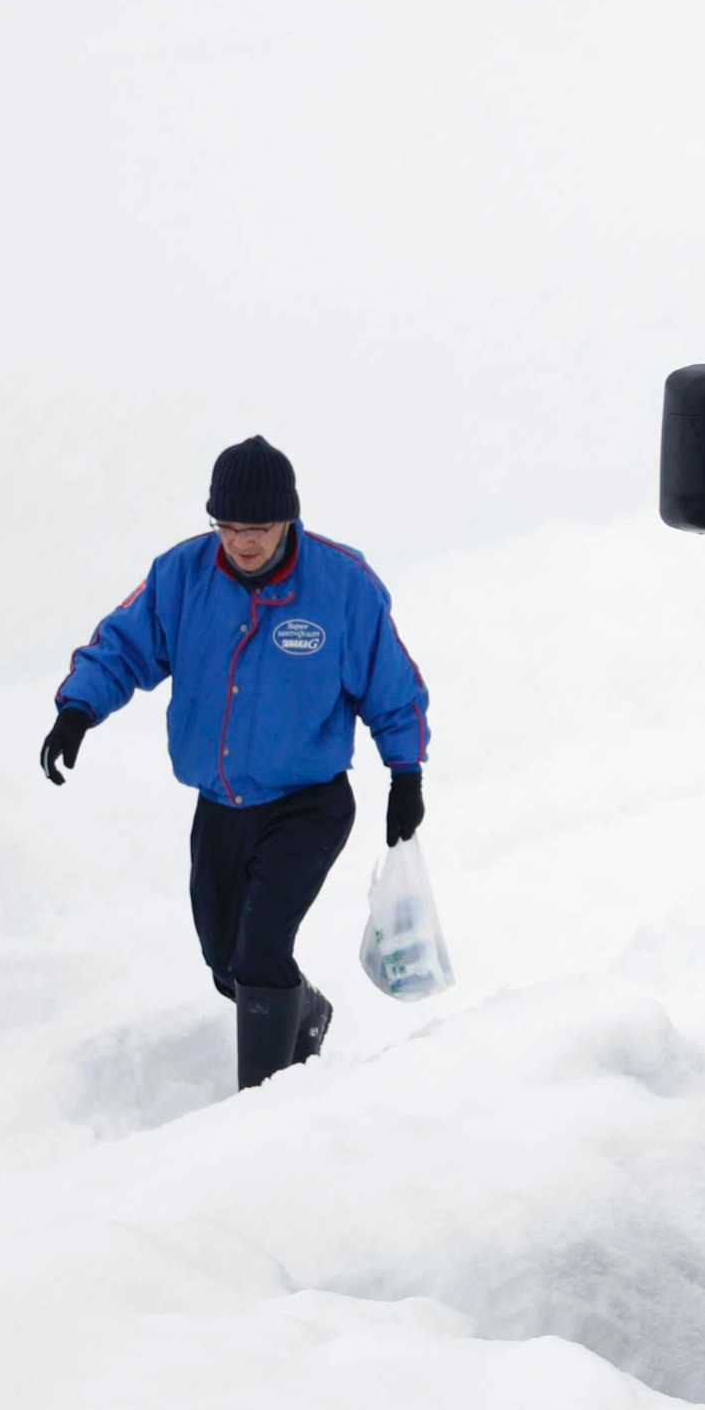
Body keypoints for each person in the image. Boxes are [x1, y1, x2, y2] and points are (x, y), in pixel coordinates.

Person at [40, 437, 431, 1091]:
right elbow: (122, 647)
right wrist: (78, 709)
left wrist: (406, 771)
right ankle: (305, 1013)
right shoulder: (182, 576)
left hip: (308, 803)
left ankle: (261, 1110)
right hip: (220, 806)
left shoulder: (342, 586)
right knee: (225, 962)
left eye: (258, 527)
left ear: (288, 518)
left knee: (260, 952)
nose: (243, 542)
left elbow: (391, 685)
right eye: (228, 527)